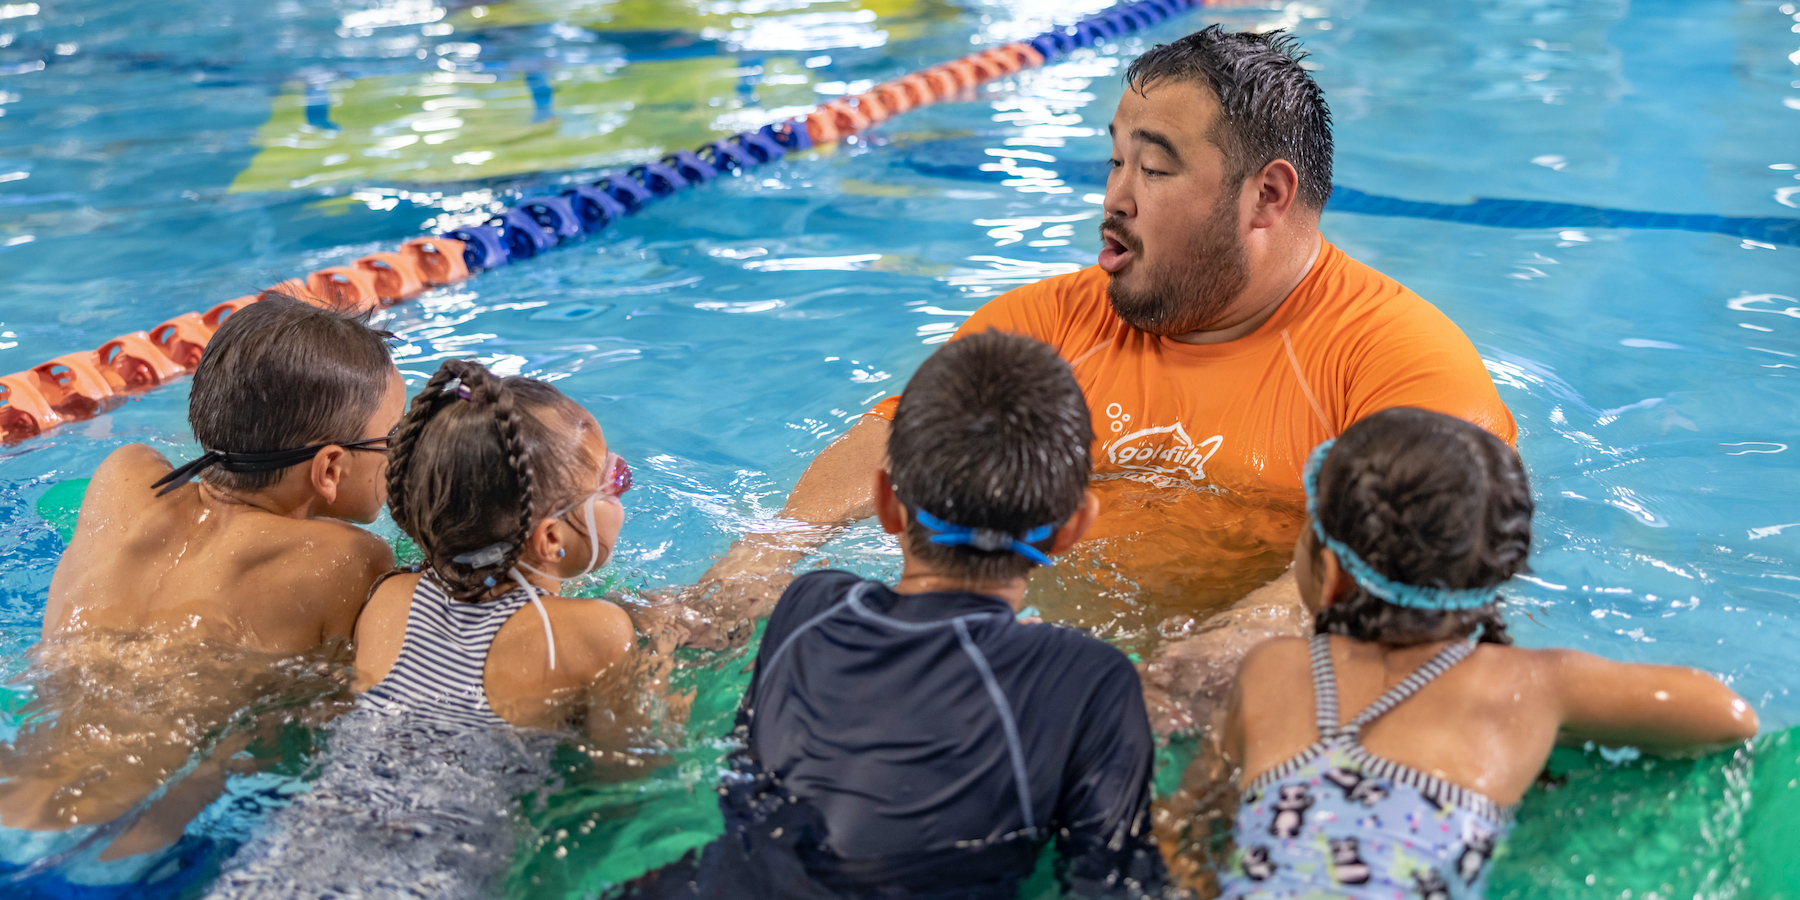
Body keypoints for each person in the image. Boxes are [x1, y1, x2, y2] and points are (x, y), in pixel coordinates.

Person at [686, 27, 1514, 730]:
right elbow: (896, 438)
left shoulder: (1401, 365)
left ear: (1266, 195)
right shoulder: (1048, 323)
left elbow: (1416, 566)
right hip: (1049, 675)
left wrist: (1233, 644)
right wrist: (758, 560)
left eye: (1153, 170)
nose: (1114, 197)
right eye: (1115, 160)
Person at [615, 331, 1167, 900]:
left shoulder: (809, 606)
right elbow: (1113, 878)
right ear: (1074, 527)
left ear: (885, 502)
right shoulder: (1091, 680)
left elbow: (747, 786)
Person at [1203, 408, 1756, 899]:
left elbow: (1204, 811)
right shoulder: (1535, 686)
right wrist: (1557, 724)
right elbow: (1730, 717)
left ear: (1331, 576)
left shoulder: (1271, 668)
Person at [207, 359, 649, 899]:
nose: (622, 492)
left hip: (283, 861)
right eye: (615, 482)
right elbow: (624, 778)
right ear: (552, 539)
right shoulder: (598, 634)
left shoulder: (390, 598)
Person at [0, 295, 403, 866]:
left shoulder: (124, 476)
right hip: (109, 845)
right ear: (330, 469)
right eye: (393, 438)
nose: (400, 453)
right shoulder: (349, 558)